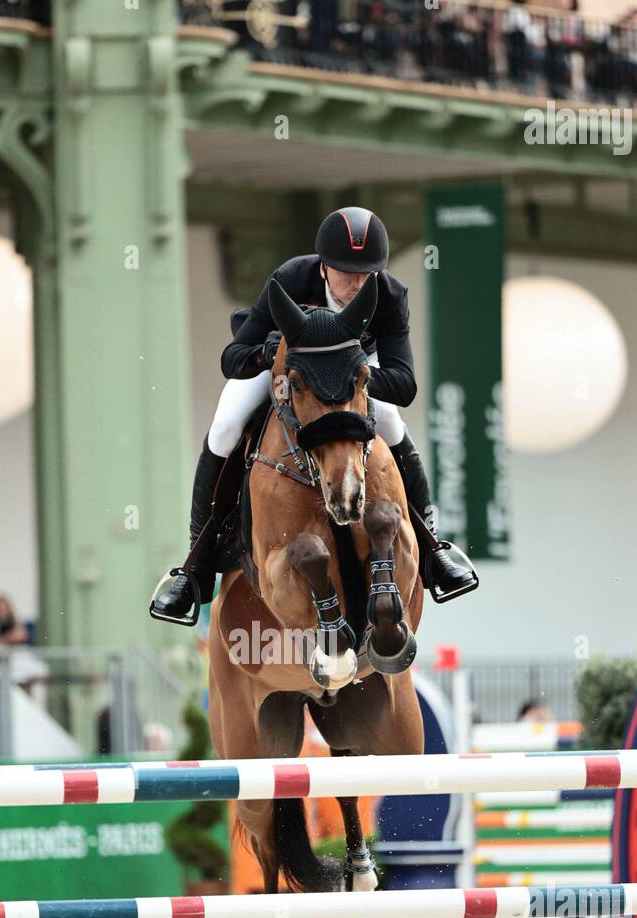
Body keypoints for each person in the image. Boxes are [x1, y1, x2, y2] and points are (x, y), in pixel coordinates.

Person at [151, 206, 475, 623]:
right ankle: (195, 568)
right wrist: (264, 354)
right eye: (345, 272)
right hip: (290, 370)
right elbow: (231, 358)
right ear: (323, 268)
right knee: (227, 425)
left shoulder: (388, 296)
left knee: (392, 424)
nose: (356, 283)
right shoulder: (289, 281)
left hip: (356, 375)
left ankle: (433, 550)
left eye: (366, 273)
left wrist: (350, 379)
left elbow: (405, 382)